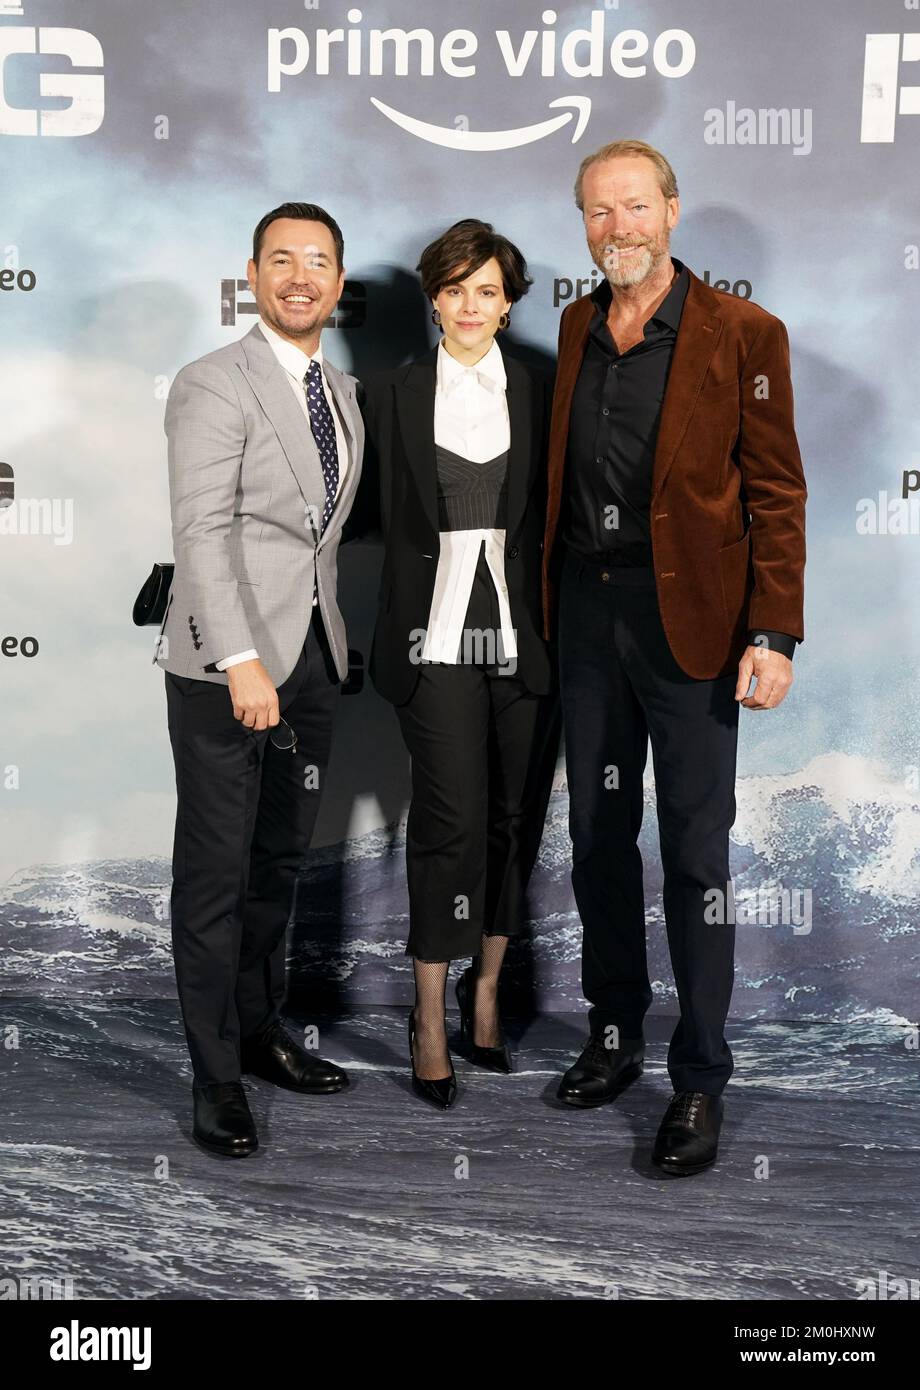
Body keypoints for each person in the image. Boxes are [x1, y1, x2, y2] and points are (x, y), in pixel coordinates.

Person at [543, 141, 807, 1175]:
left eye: (634, 207)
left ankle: (698, 1080)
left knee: (696, 855)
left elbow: (775, 493)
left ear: (672, 211)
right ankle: (613, 1033)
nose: (619, 228)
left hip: (691, 628)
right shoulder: (574, 328)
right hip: (587, 620)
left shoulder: (745, 333)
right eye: (598, 213)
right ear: (584, 226)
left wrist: (773, 630)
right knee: (599, 840)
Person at [156, 202, 364, 1157]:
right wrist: (241, 659)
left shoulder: (342, 392)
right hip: (227, 668)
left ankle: (258, 1031)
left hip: (314, 660)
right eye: (281, 260)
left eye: (317, 262)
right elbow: (200, 534)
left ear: (336, 280)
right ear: (252, 273)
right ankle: (214, 1080)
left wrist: (309, 656)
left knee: (276, 865)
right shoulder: (213, 382)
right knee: (213, 875)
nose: (299, 277)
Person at [360, 219, 561, 1108]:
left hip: (524, 637)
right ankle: (429, 1015)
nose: (469, 306)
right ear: (431, 299)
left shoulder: (544, 388)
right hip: (430, 634)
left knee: (511, 820)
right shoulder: (393, 392)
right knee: (449, 819)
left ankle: (486, 996)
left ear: (509, 300)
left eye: (486, 290)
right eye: (452, 289)